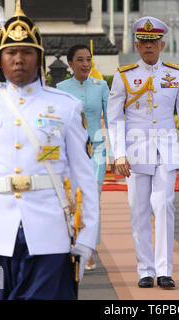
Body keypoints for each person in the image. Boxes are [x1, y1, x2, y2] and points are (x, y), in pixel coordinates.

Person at [0, 2, 99, 300]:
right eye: (11, 53)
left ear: (38, 57)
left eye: (26, 52)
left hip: (47, 233)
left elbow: (84, 176)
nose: (18, 60)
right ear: (0, 58)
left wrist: (88, 231)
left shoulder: (65, 106)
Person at [107, 16, 179, 289]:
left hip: (166, 149)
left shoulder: (176, 73)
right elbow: (115, 118)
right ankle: (145, 270)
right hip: (135, 152)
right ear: (137, 45)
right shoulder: (124, 75)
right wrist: (119, 153)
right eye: (144, 42)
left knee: (164, 205)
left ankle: (165, 270)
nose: (149, 47)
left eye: (153, 43)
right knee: (139, 210)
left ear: (163, 44)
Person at [56, 43, 114, 270]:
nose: (86, 64)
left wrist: (116, 152)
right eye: (80, 60)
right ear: (70, 64)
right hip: (71, 151)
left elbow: (110, 119)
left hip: (96, 149)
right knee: (70, 198)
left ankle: (89, 248)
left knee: (92, 197)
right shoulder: (60, 87)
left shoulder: (100, 86)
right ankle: (70, 242)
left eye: (89, 59)